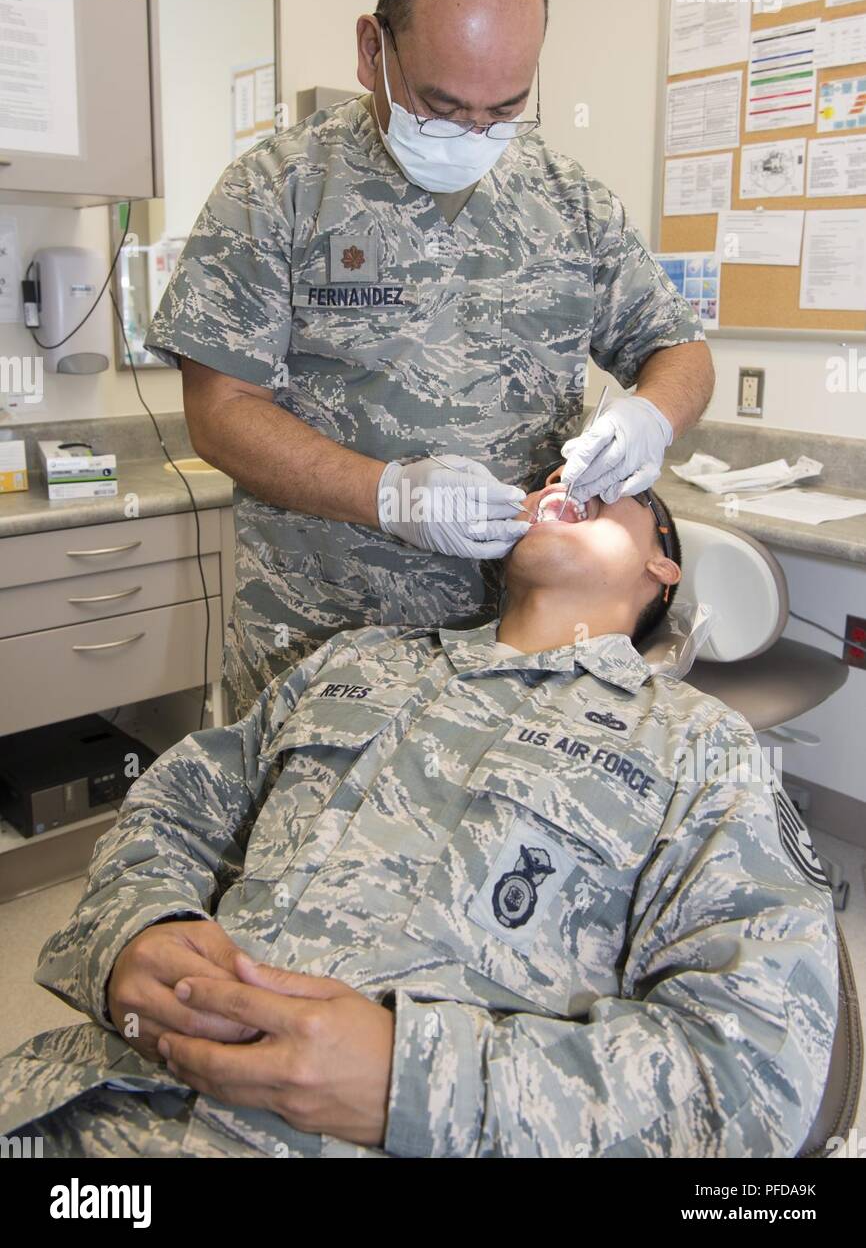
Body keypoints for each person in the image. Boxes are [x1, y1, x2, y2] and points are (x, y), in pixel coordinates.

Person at [0, 483, 837, 1158]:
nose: (566, 485)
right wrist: (137, 931)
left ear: (663, 568)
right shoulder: (357, 658)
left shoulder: (694, 741)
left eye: (612, 488)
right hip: (102, 1109)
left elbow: (753, 1072)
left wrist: (417, 1082)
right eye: (554, 479)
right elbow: (171, 808)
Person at [144, 0, 714, 720]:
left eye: (507, 106)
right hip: (317, 659)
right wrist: (389, 496)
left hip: (511, 672)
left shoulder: (570, 202)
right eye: (443, 107)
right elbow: (220, 415)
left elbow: (680, 349)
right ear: (374, 50)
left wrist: (654, 414)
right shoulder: (275, 193)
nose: (477, 133)